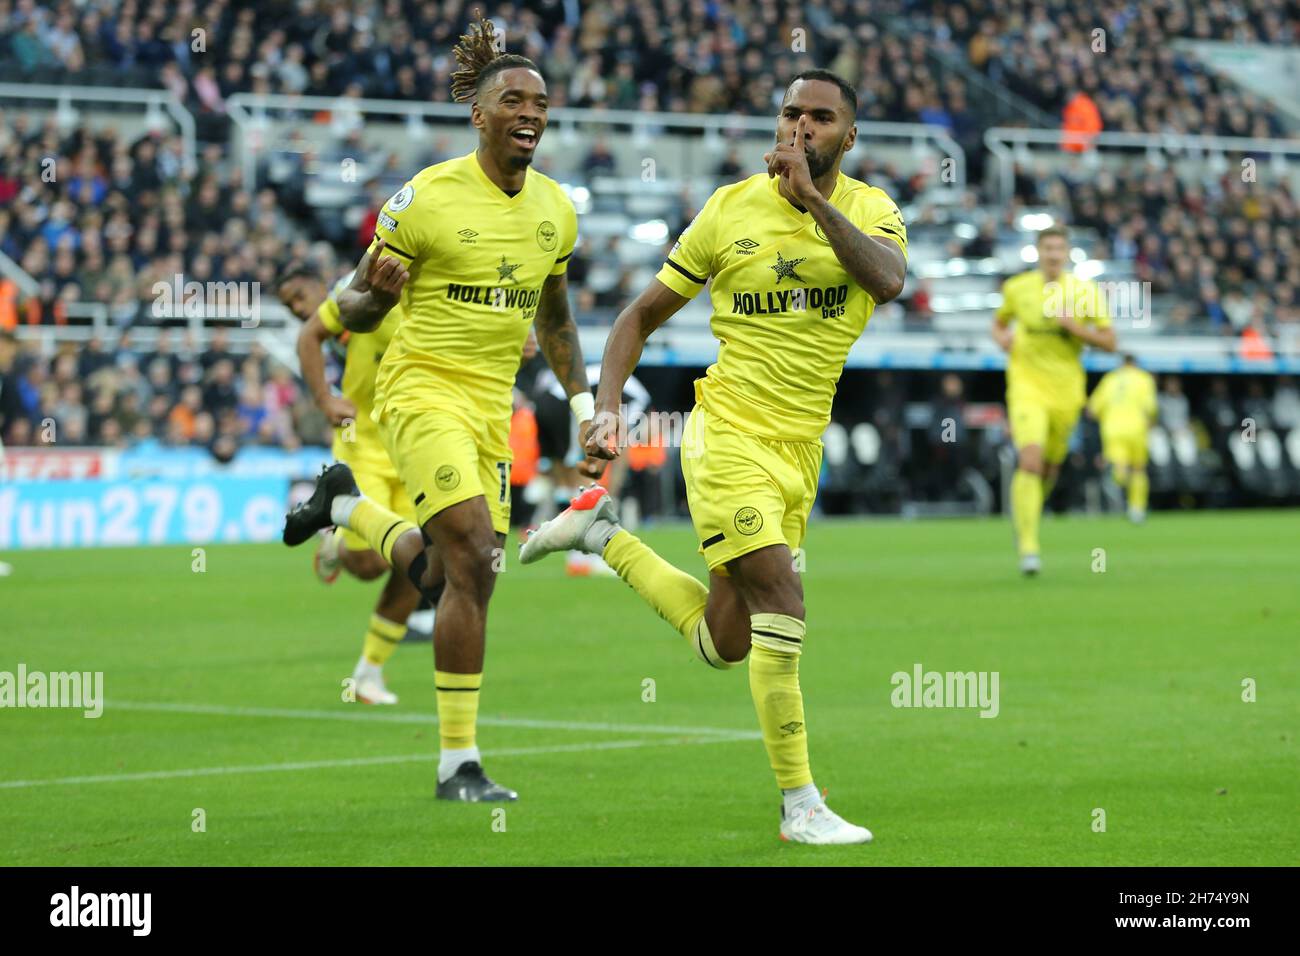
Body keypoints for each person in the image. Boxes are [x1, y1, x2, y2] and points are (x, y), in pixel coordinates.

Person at [522, 70, 907, 844]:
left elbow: (888, 281)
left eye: (821, 117)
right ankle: (801, 805)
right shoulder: (728, 210)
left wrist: (814, 203)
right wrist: (605, 406)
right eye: (791, 113)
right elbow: (639, 316)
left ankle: (602, 535)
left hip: (802, 451)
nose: (802, 127)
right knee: (783, 602)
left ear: (850, 136)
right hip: (727, 435)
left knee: (724, 642)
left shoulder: (871, 212)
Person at [283, 15, 601, 802]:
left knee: (462, 576)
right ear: (480, 115)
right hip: (419, 388)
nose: (530, 113)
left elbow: (554, 318)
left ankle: (347, 506)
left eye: (541, 103)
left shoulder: (557, 211)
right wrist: (370, 295)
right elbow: (352, 310)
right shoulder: (423, 198)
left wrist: (587, 402)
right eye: (514, 101)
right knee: (463, 546)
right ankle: (458, 765)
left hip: (492, 405)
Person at [277, 264, 441, 704]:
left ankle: (368, 674)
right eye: (289, 304)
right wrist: (324, 400)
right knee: (370, 565)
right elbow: (308, 336)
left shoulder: (442, 289)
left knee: (418, 566)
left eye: (296, 295)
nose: (296, 308)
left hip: (416, 448)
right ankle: (336, 533)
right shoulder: (360, 288)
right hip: (363, 444)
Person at [992, 225, 1116, 575]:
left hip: (1066, 391)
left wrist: (1073, 327)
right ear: (1038, 252)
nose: (1053, 255)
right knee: (1029, 460)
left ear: (1067, 253)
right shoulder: (1018, 288)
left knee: (1049, 467)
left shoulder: (1084, 291)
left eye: (1059, 249)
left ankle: (1028, 514)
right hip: (1026, 385)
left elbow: (1110, 342)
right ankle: (1029, 546)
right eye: (1047, 248)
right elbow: (998, 323)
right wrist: (1003, 339)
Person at [1087, 354, 1157, 523]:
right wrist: (1151, 422)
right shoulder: (1143, 378)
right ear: (1135, 363)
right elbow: (1151, 407)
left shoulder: (1109, 379)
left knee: (1119, 468)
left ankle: (1118, 486)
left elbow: (1092, 410)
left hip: (1112, 430)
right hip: (1137, 428)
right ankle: (1136, 509)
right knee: (1139, 469)